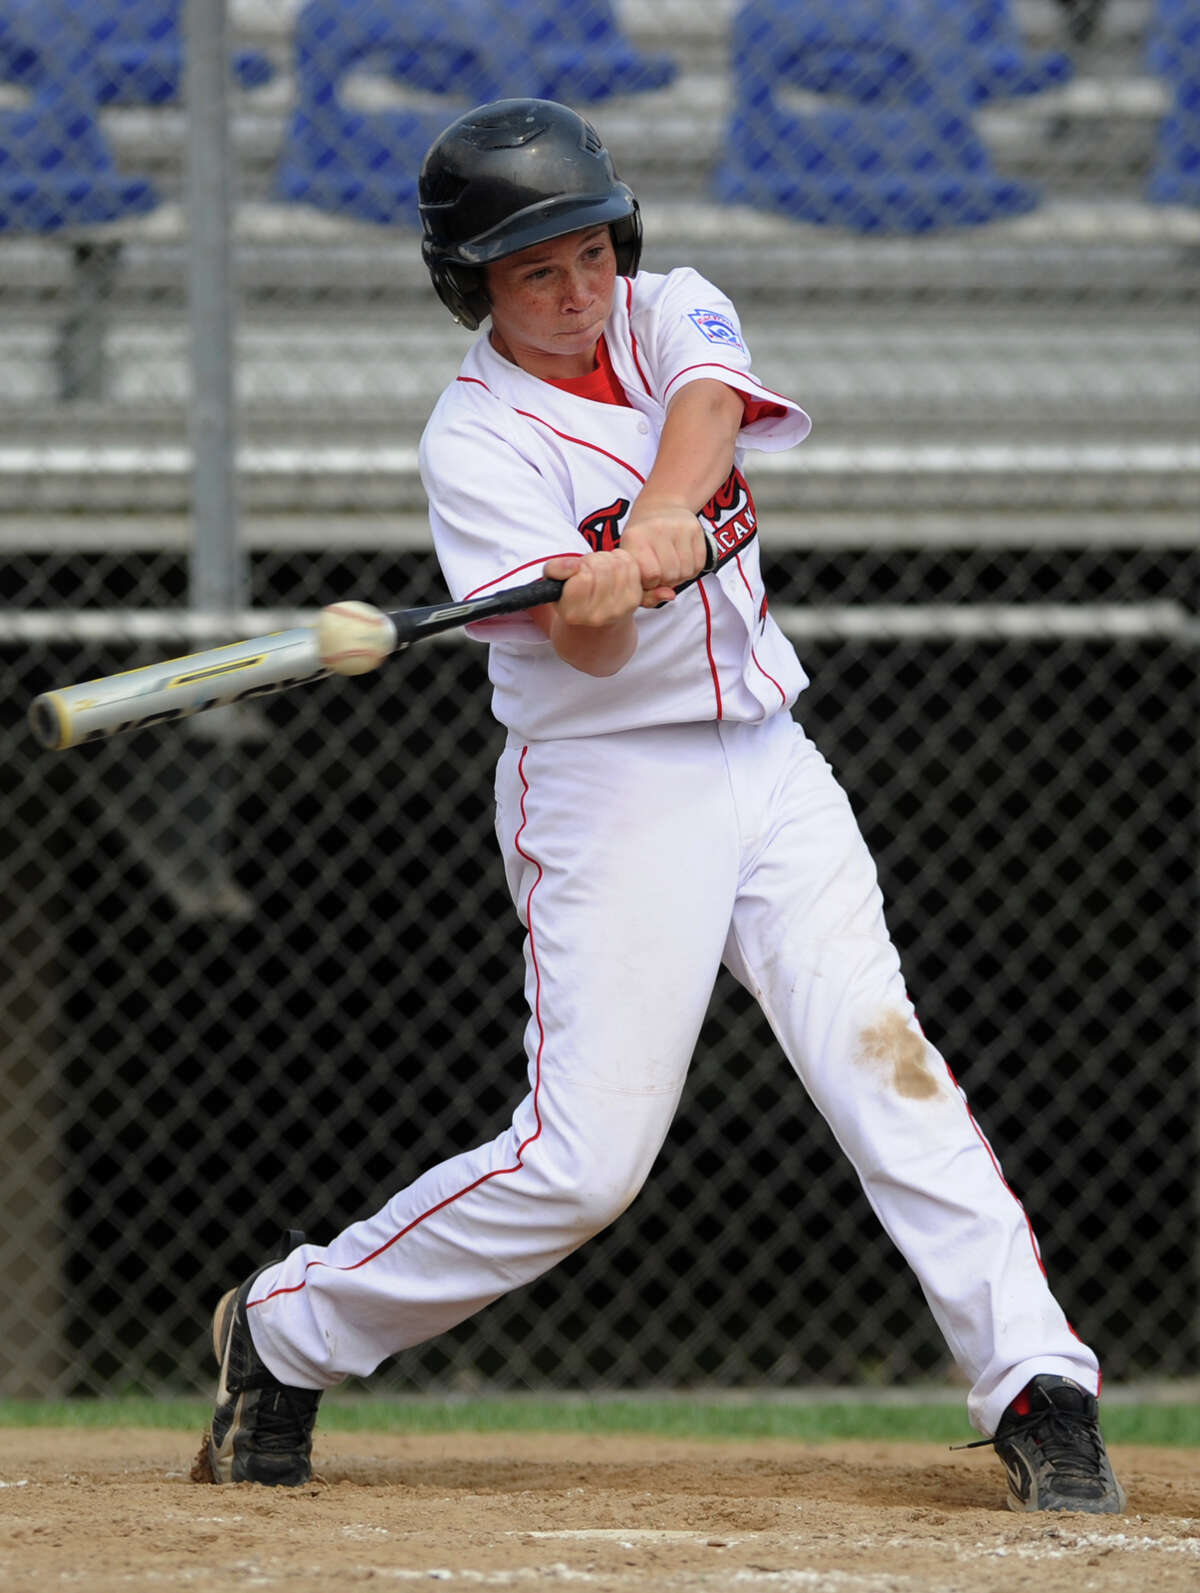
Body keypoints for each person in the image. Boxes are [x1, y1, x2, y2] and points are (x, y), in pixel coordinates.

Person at [193, 98, 1125, 1515]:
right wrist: (600, 601)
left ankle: (1038, 1385)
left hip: (769, 761)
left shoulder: (664, 309)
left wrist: (653, 527)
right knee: (583, 1167)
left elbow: (705, 408)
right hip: (611, 793)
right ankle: (288, 1325)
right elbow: (584, 651)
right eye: (532, 274)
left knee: (891, 1071)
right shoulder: (477, 447)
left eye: (586, 255)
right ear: (473, 287)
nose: (573, 294)